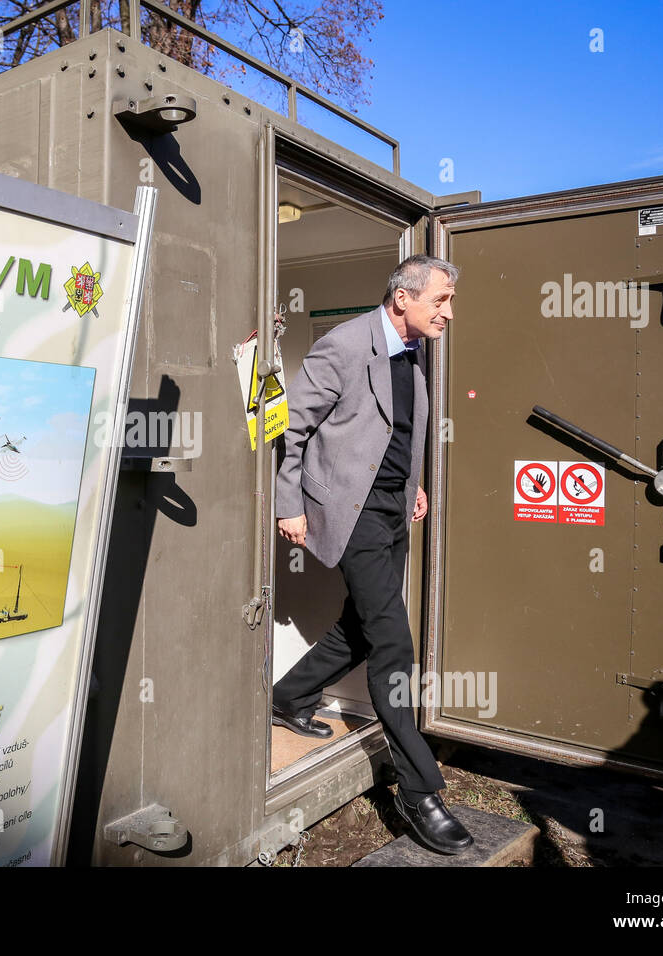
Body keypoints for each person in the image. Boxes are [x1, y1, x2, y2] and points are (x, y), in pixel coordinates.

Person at [272, 254, 472, 855]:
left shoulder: (414, 351)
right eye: (441, 300)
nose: (448, 312)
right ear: (402, 298)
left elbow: (396, 431)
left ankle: (288, 696)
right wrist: (289, 504)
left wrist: (412, 485)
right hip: (350, 511)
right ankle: (419, 790)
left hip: (391, 508)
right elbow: (291, 428)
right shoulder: (343, 344)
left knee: (362, 627)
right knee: (393, 643)